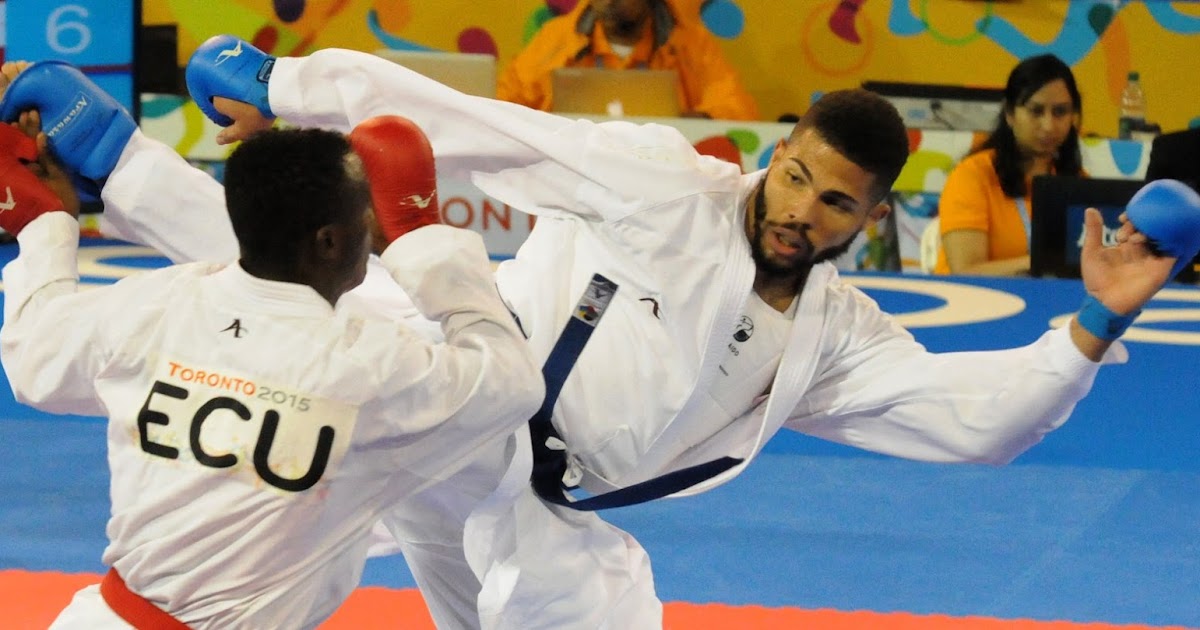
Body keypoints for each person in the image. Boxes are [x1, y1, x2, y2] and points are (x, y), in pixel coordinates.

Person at [16, 37, 1199, 630]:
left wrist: (1093, 323)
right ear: (778, 155)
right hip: (467, 401)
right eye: (792, 179)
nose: (795, 213)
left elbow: (979, 426)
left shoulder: (833, 335)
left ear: (874, 218)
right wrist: (294, 90)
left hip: (551, 516)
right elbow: (477, 123)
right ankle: (107, 152)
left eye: (832, 205)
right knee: (294, 301)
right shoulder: (662, 182)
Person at [0, 66, 543, 628]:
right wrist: (423, 240)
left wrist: (43, 224)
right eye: (367, 214)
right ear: (331, 241)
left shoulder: (154, 306)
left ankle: (119, 160)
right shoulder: (371, 366)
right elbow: (512, 382)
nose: (375, 229)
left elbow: (35, 358)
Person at [935, 53, 1084, 276]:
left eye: (1060, 111)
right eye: (1036, 111)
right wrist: (1043, 262)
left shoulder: (1077, 180)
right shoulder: (972, 175)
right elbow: (966, 271)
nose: (1048, 125)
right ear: (1010, 114)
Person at [496, 0, 760, 120]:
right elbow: (501, 110)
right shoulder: (555, 40)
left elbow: (738, 114)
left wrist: (683, 125)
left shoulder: (692, 44)